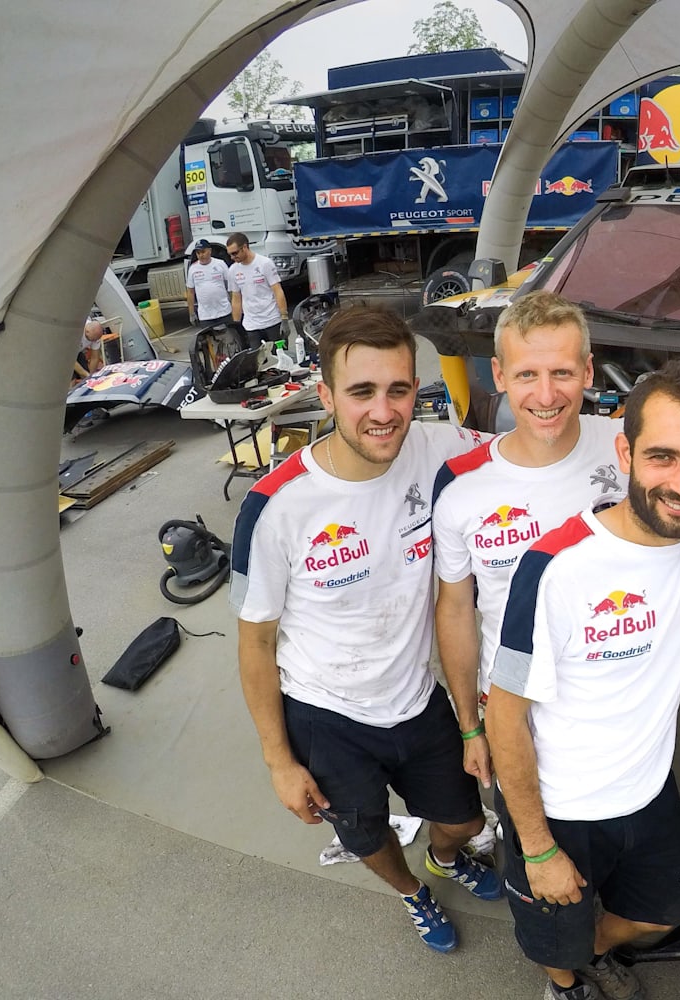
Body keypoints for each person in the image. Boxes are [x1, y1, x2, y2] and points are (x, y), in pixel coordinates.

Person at [231, 307, 499, 955]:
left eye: (399, 389)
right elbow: (255, 645)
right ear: (324, 395)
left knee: (463, 819)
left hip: (415, 697)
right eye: (361, 392)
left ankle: (444, 857)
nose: (384, 412)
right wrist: (279, 761)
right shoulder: (273, 506)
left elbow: (533, 457)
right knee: (367, 836)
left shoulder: (439, 448)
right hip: (326, 715)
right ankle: (414, 893)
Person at [488, 361, 680, 1000]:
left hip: (647, 791)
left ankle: (589, 949)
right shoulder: (554, 567)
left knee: (659, 915)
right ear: (626, 451)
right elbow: (504, 714)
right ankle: (565, 982)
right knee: (556, 945)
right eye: (662, 457)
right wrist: (538, 847)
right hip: (559, 807)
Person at [432, 291, 625, 794]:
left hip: (622, 718)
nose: (545, 395)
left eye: (561, 373)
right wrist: (470, 726)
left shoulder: (632, 451)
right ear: (498, 375)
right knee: (532, 858)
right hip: (517, 724)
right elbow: (455, 610)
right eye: (526, 375)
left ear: (588, 371)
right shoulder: (460, 486)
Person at [227, 231, 288, 348]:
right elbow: (236, 299)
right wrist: (236, 327)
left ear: (244, 247)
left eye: (235, 253)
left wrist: (284, 318)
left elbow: (277, 291)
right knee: (257, 362)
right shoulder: (233, 270)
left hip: (272, 321)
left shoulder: (265, 263)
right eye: (230, 254)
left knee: (281, 358)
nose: (233, 257)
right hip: (251, 325)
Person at [185, 239, 233, 325]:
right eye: (198, 253)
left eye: (203, 252)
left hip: (224, 311)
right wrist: (191, 313)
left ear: (209, 251)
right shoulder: (193, 268)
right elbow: (190, 292)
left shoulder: (220, 264)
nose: (201, 255)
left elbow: (230, 286)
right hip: (205, 315)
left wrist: (234, 305)